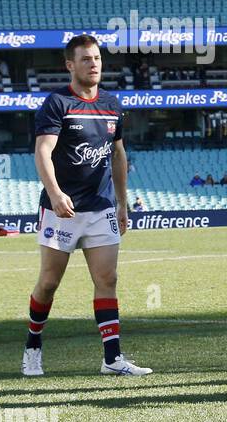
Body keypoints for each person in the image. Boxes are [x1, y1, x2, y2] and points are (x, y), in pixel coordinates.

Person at [21, 35, 151, 378]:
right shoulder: (57, 103)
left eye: (96, 58)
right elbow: (43, 152)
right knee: (49, 283)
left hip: (101, 206)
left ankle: (112, 358)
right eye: (85, 59)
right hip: (61, 209)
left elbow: (118, 155)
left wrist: (122, 203)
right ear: (70, 65)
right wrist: (55, 192)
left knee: (107, 278)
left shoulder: (111, 104)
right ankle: (33, 348)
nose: (93, 64)